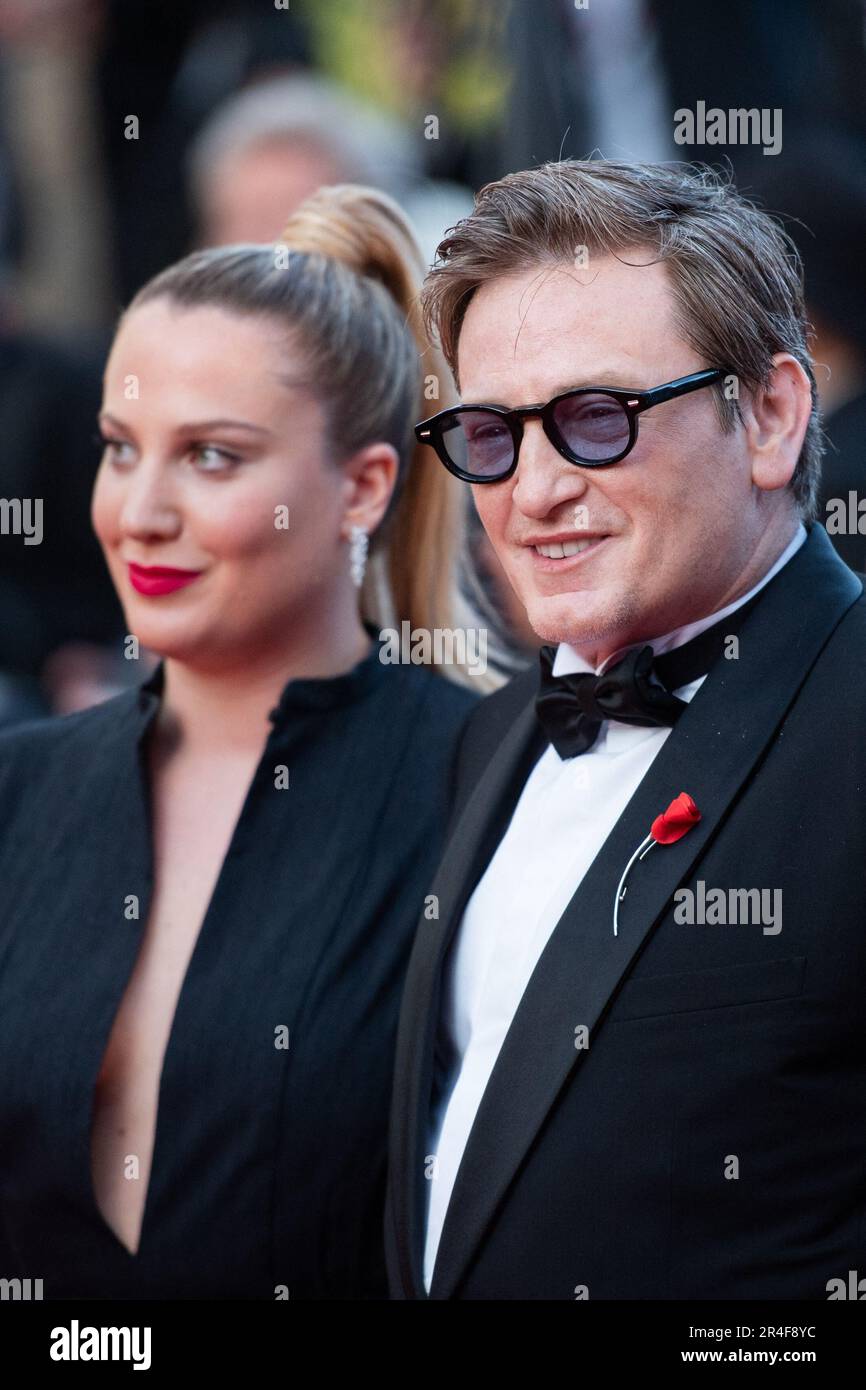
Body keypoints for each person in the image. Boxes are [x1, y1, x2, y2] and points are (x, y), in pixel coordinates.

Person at [386, 159, 866, 1300]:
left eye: (595, 419)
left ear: (769, 417)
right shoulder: (490, 737)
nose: (534, 488)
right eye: (492, 437)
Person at [0, 184, 485, 1300]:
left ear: (362, 485)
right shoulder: (21, 791)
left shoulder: (486, 789)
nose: (141, 510)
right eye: (121, 450)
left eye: (212, 457)